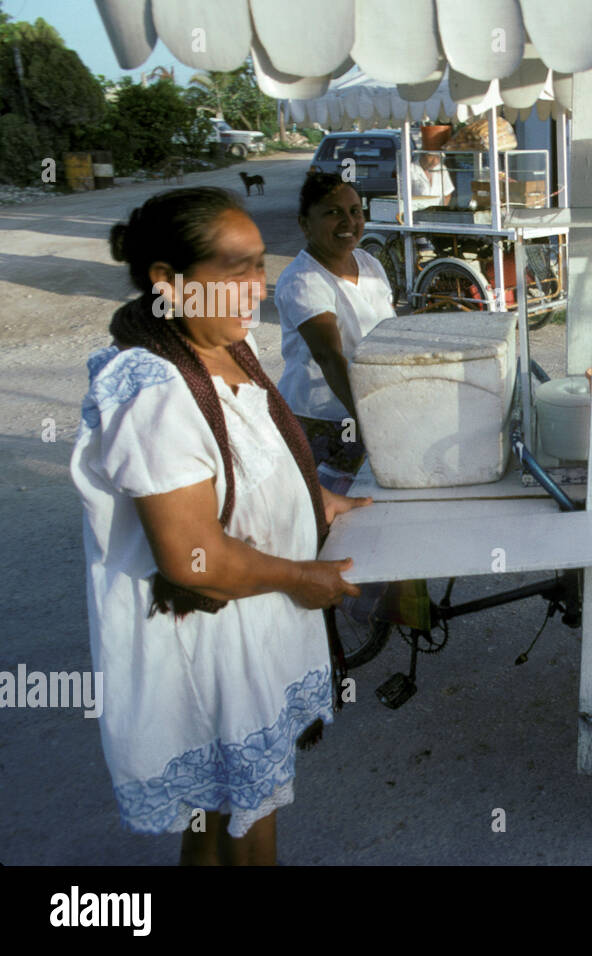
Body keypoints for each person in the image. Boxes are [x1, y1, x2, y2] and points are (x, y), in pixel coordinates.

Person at [71, 186, 371, 865]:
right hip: (208, 652)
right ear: (167, 284)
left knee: (217, 815)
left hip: (244, 634)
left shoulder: (223, 348)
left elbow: (257, 466)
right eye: (233, 268)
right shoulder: (152, 391)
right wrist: (300, 576)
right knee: (247, 823)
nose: (254, 286)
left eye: (258, 265)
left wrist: (323, 503)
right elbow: (191, 555)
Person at [276, 172, 396, 479]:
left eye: (355, 211)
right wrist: (368, 421)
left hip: (370, 405)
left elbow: (390, 332)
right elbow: (329, 356)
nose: (348, 222)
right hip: (323, 418)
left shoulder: (368, 263)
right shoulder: (303, 280)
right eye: (333, 213)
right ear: (305, 224)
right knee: (336, 507)